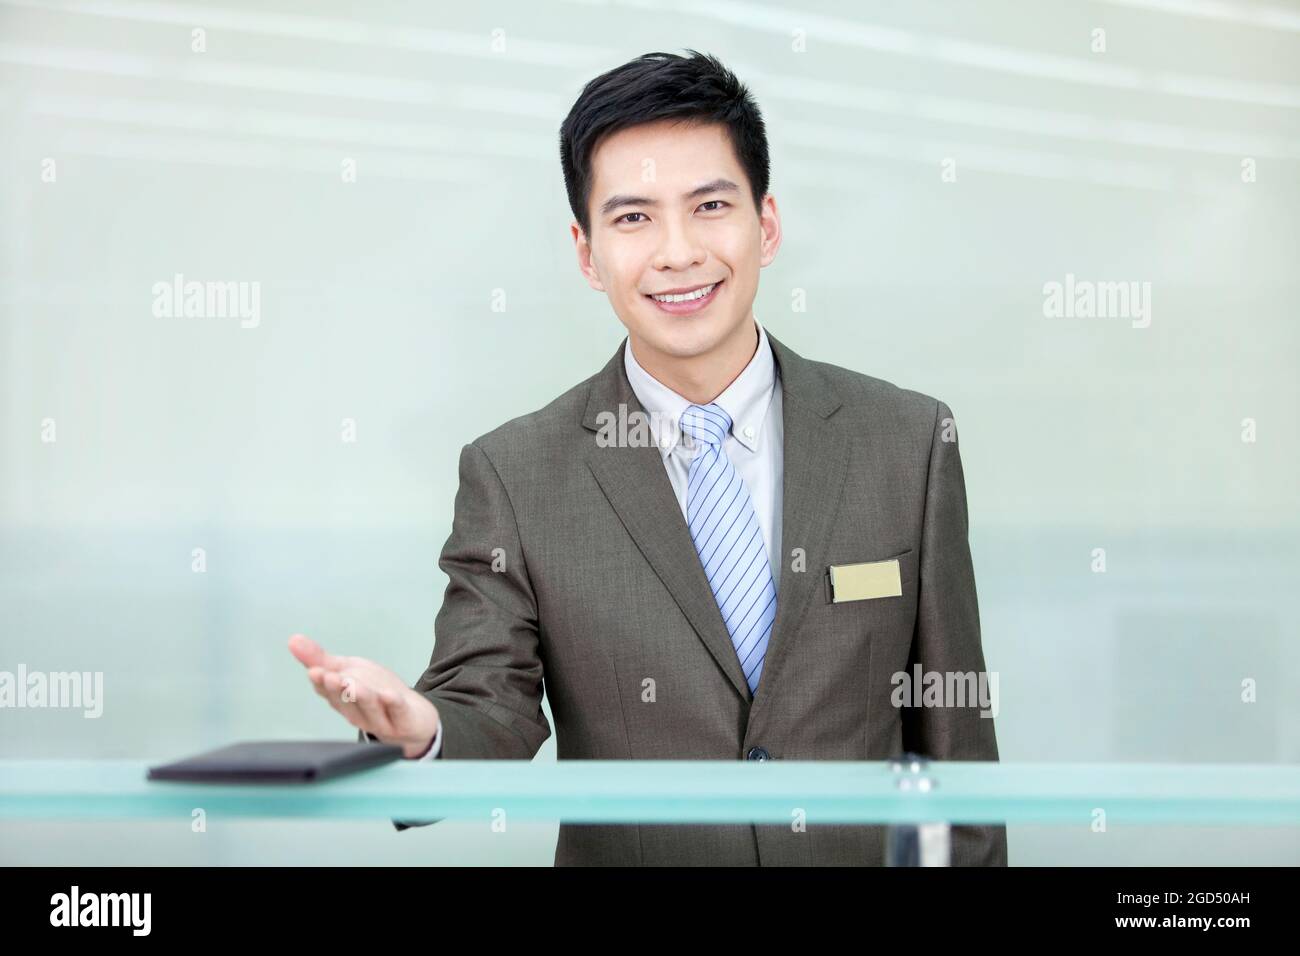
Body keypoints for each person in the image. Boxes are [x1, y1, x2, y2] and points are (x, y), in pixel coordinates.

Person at [290, 50, 1006, 866]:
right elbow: (489, 703)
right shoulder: (518, 475)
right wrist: (422, 733)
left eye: (709, 206)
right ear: (587, 254)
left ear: (766, 225)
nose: (677, 252)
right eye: (633, 218)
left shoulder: (904, 442)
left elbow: (957, 755)